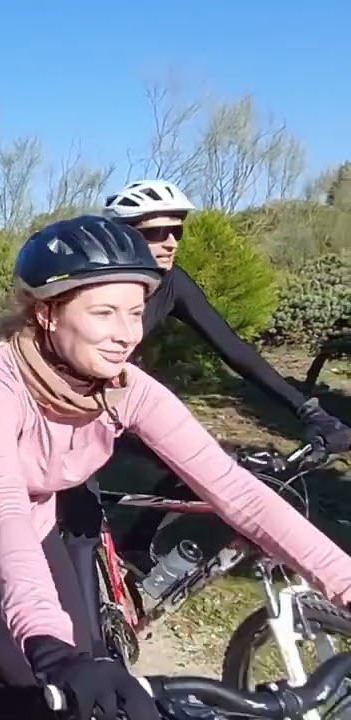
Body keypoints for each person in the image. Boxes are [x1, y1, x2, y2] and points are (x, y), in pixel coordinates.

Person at [0, 214, 351, 720]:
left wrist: (344, 582)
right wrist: (48, 646)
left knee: (95, 676)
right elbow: (3, 508)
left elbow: (235, 491)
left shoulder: (125, 388)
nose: (126, 335)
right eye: (105, 313)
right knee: (42, 678)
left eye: (135, 313)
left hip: (35, 526)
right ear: (47, 314)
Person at [56, 180, 351, 654]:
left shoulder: (171, 284)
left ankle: (132, 552)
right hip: (64, 417)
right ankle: (80, 659)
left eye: (177, 230)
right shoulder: (89, 286)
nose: (171, 240)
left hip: (124, 402)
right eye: (156, 232)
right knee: (80, 530)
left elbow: (237, 353)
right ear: (124, 236)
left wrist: (307, 409)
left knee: (204, 467)